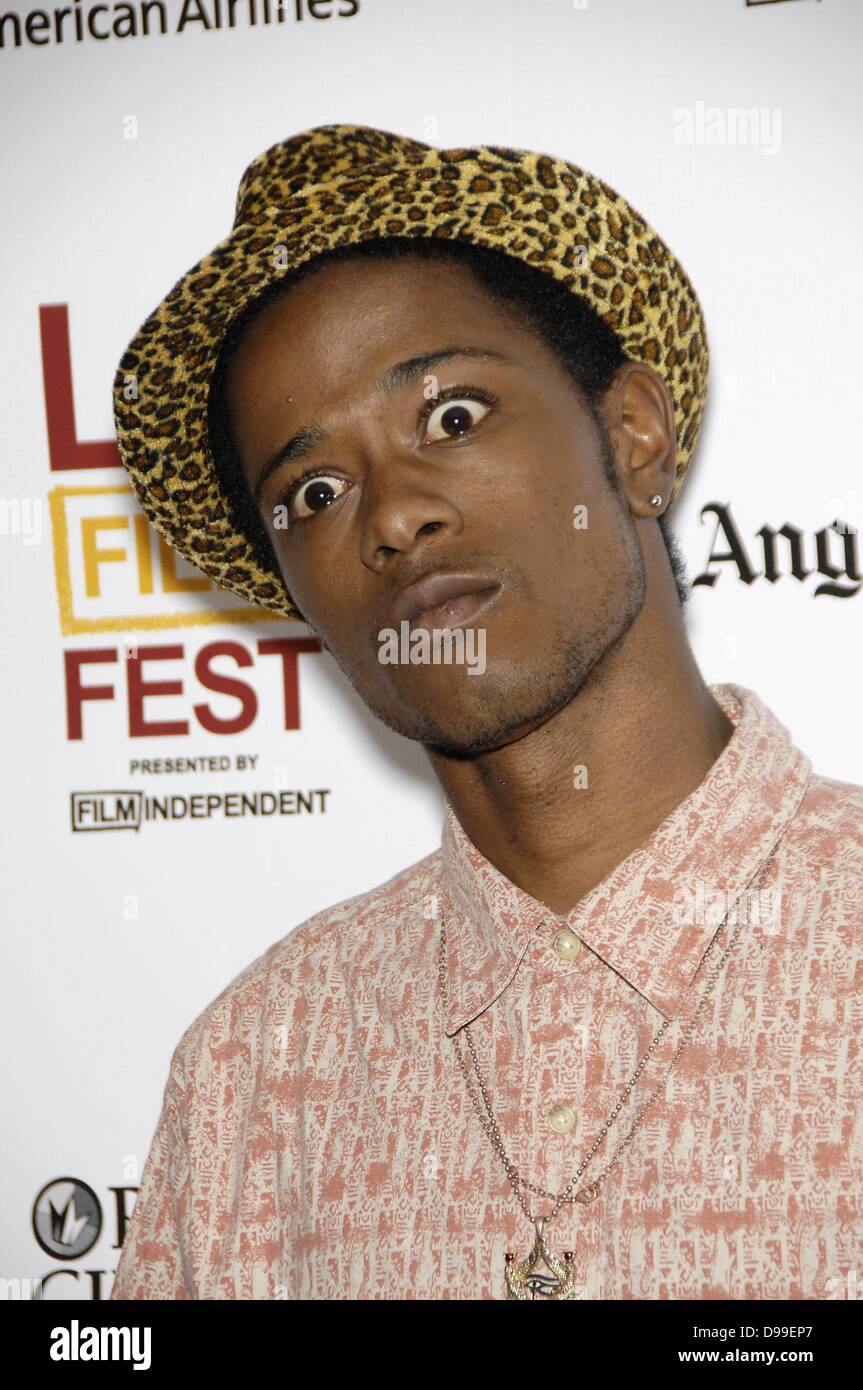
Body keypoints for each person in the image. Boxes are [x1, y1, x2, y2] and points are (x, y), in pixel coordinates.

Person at [109, 123, 862, 1301]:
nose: (392, 517)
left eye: (452, 417)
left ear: (634, 439)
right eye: (312, 490)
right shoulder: (255, 1069)